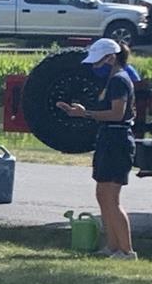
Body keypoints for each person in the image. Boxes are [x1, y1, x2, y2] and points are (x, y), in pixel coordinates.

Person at [60, 37, 139, 260]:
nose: (95, 66)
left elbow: (117, 113)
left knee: (112, 197)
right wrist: (83, 111)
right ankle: (112, 246)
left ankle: (126, 250)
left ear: (111, 58)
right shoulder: (111, 81)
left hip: (118, 139)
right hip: (107, 138)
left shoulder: (119, 81)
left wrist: (86, 113)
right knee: (102, 194)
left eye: (98, 61)